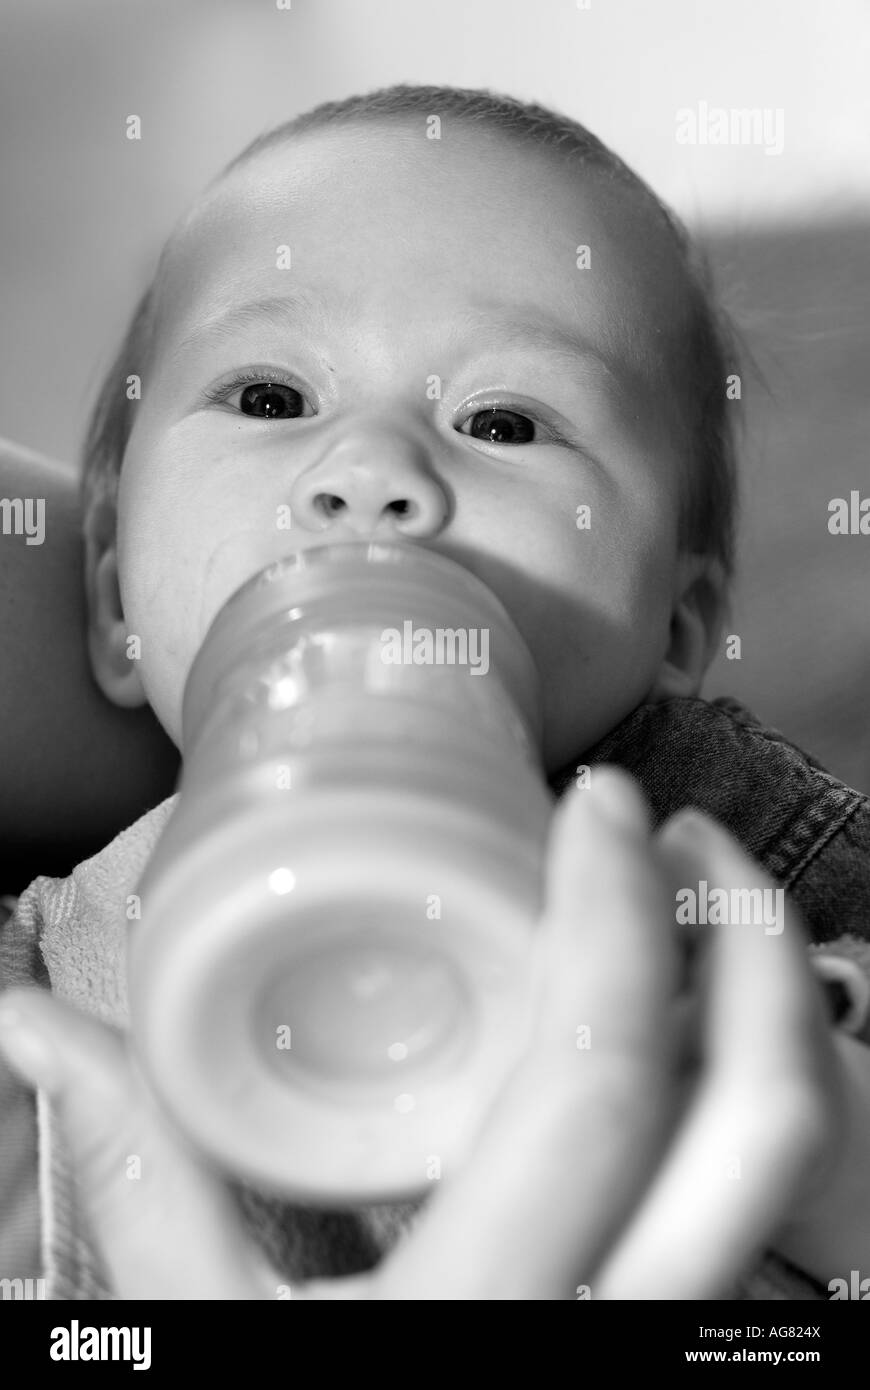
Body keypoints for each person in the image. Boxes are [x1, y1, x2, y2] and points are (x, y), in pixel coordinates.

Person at [1, 83, 869, 1299]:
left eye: (504, 420)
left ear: (676, 627)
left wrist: (835, 1171)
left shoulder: (750, 867)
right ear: (110, 604)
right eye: (269, 398)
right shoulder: (29, 992)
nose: (371, 473)